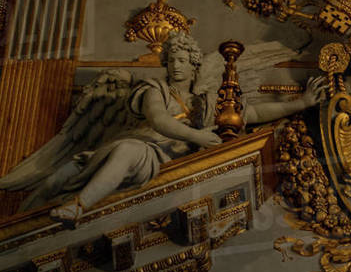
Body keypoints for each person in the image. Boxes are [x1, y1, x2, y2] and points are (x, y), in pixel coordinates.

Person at [6, 31, 325, 227]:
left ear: (195, 64)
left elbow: (251, 113)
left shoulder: (207, 102)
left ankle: (78, 206)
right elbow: (159, 120)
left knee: (126, 153)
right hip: (137, 145)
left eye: (182, 60)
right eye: (171, 60)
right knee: (57, 179)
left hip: (159, 160)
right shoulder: (153, 89)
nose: (176, 66)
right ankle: (20, 221)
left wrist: (301, 103)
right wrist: (197, 136)